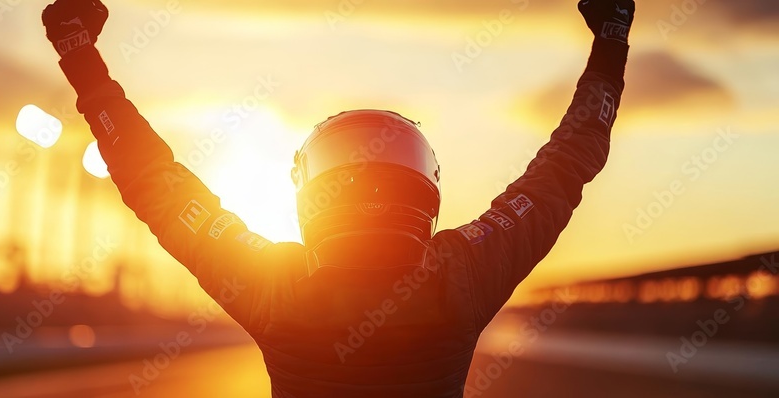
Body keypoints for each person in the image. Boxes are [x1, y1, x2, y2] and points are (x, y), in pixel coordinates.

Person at [41, 0, 633, 396]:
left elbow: (154, 183)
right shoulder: (466, 271)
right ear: (425, 189)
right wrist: (612, 38)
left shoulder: (270, 282)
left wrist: (80, 57)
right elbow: (571, 158)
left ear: (311, 196)